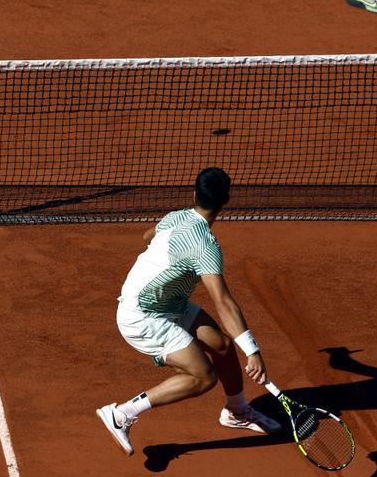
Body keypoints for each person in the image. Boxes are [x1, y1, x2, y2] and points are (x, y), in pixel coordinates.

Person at [97, 167, 281, 455]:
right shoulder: (205, 247)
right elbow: (223, 301)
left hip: (168, 302)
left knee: (221, 345)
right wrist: (253, 351)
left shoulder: (176, 217)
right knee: (204, 376)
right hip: (142, 316)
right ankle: (122, 414)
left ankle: (237, 412)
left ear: (195, 194)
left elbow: (148, 235)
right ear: (226, 200)